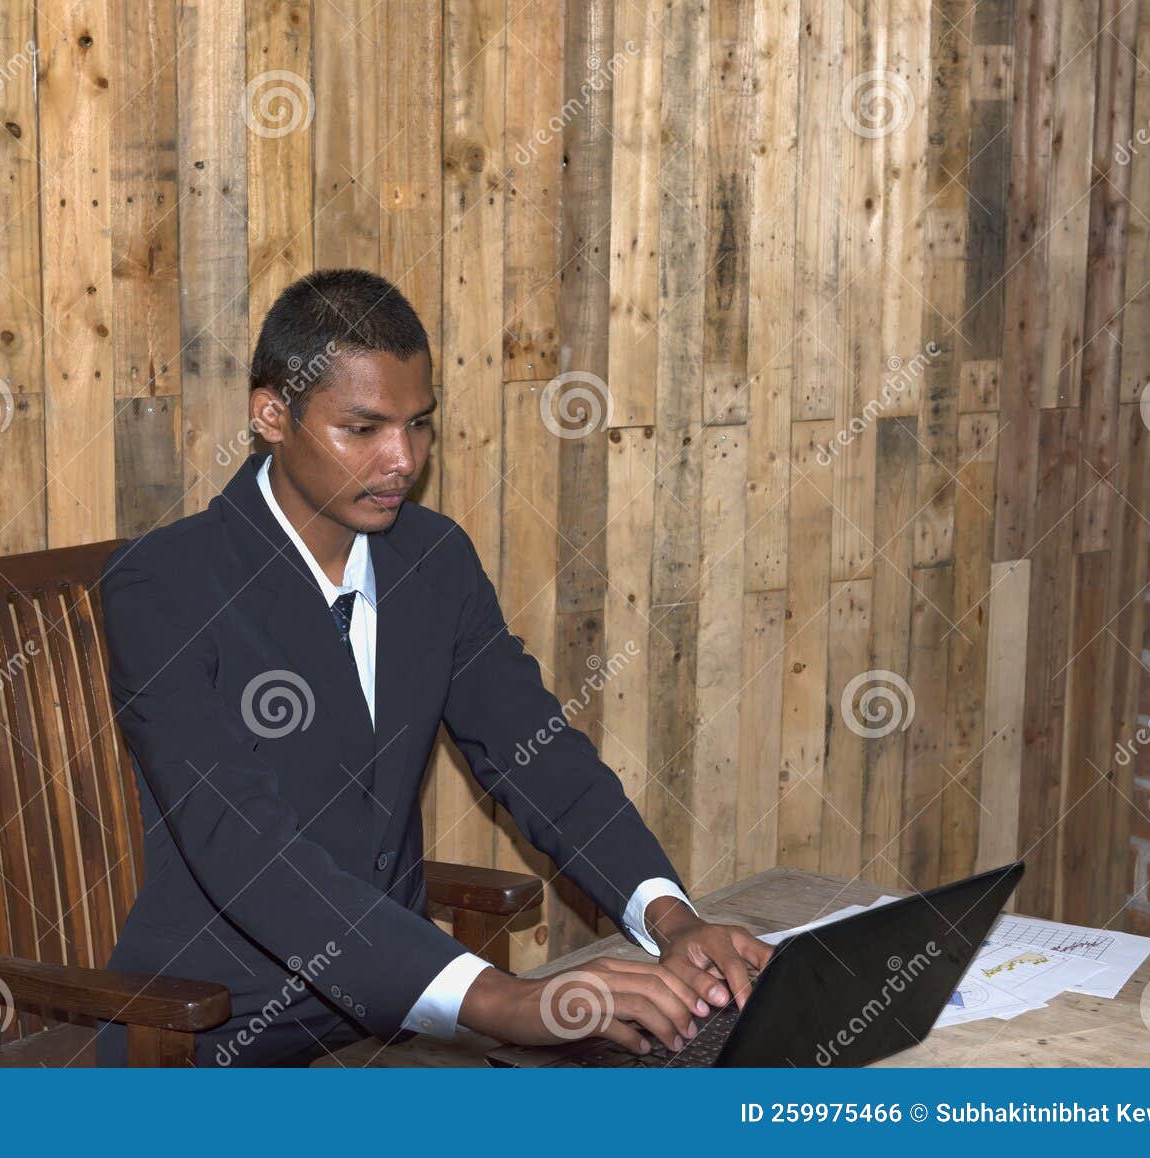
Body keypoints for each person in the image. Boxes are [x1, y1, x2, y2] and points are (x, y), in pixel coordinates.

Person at [93, 268, 771, 1067]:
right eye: (363, 428)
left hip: (396, 1025)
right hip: (206, 1038)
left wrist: (669, 917)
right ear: (272, 414)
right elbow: (243, 850)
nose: (401, 460)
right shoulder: (166, 583)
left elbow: (538, 753)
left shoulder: (434, 560)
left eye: (419, 426)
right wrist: (499, 999)